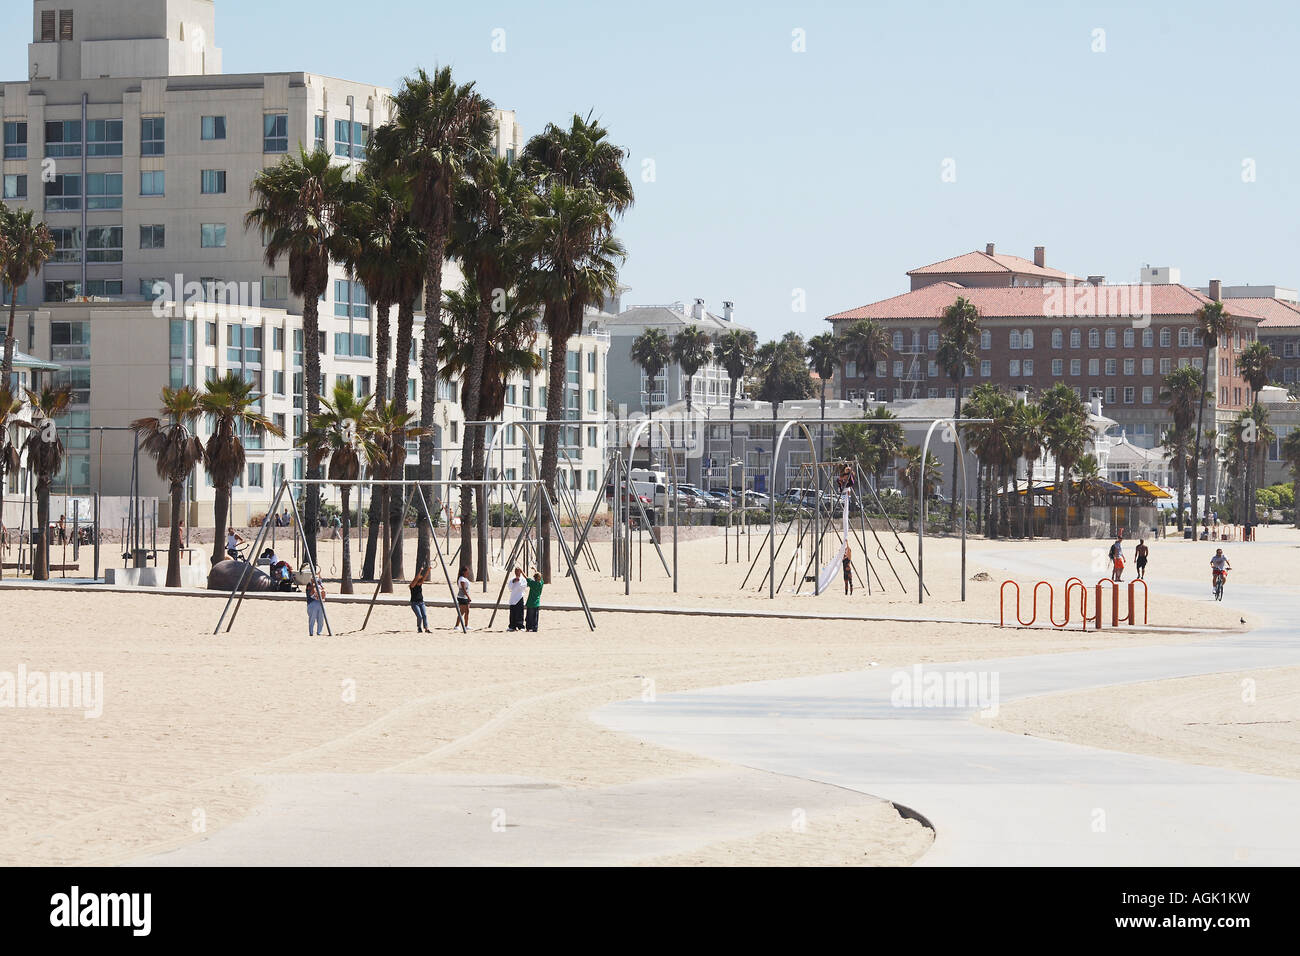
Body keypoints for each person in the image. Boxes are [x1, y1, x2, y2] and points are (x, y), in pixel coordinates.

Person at [409, 565, 430, 633]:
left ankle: (426, 628)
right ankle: (419, 627)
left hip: (421, 602)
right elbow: (416, 579)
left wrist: (428, 570)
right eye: (419, 581)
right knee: (419, 616)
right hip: (414, 603)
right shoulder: (412, 586)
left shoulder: (420, 584)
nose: (421, 582)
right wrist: (420, 571)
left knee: (424, 615)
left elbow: (424, 578)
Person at [507, 567, 528, 632]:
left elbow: (524, 587)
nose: (517, 573)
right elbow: (510, 587)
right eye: (515, 571)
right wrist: (513, 581)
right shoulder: (512, 579)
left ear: (520, 572)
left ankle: (520, 626)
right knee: (512, 612)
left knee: (520, 613)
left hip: (519, 597)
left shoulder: (523, 579)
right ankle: (512, 626)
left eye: (518, 571)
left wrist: (518, 582)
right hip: (513, 598)